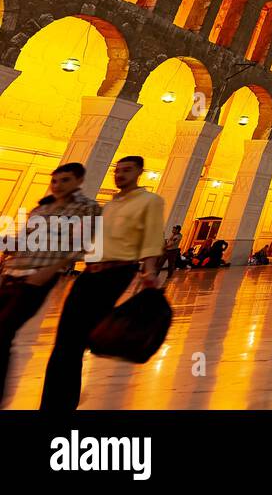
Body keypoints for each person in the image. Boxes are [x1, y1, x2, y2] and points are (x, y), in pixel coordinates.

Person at [40, 155, 165, 410]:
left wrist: (149, 270)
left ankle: (57, 405)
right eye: (117, 170)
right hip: (90, 273)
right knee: (66, 340)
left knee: (73, 341)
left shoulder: (149, 201)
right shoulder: (109, 205)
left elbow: (152, 237)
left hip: (116, 273)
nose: (120, 175)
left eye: (127, 170)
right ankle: (57, 402)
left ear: (140, 172)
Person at [0, 163, 101, 407]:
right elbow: (25, 240)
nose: (57, 186)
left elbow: (82, 245)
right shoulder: (42, 207)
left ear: (78, 181)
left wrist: (51, 270)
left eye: (65, 180)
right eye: (55, 181)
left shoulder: (87, 208)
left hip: (38, 277)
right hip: (13, 273)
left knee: (5, 330)